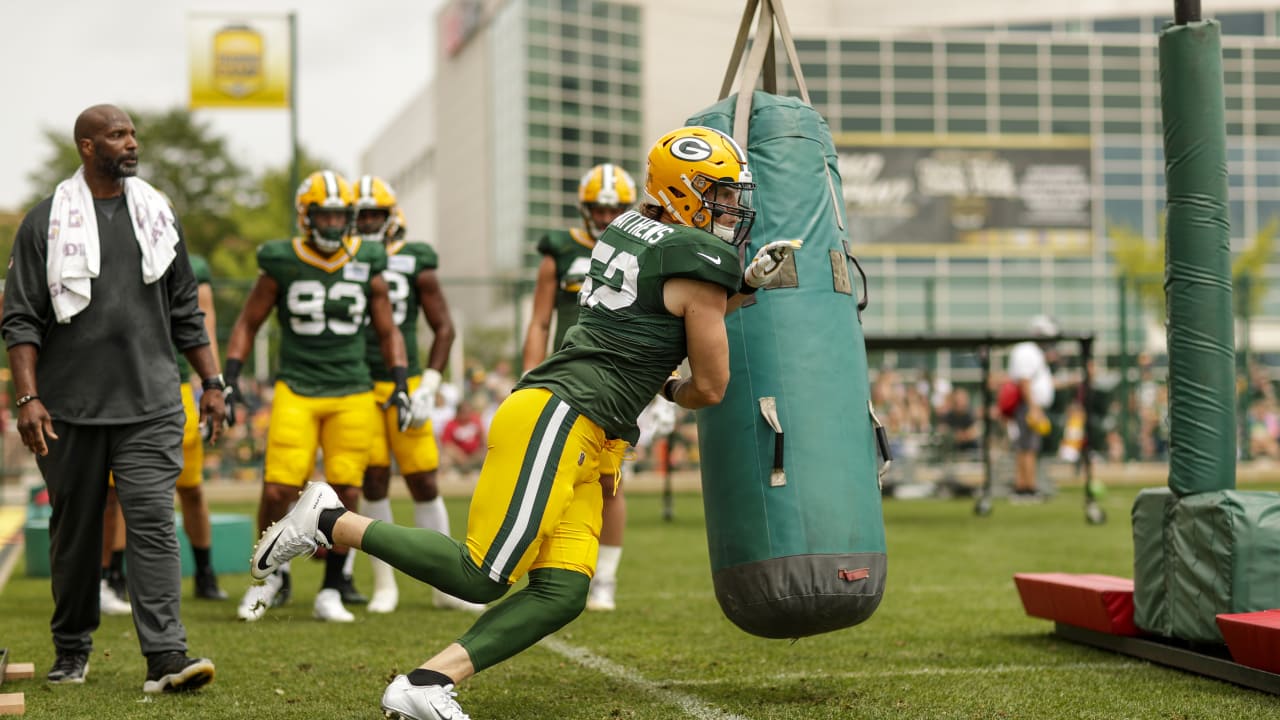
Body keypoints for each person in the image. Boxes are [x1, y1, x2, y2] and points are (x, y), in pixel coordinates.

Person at [248, 125, 800, 719]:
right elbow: (711, 386)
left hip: (590, 426)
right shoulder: (700, 257)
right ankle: (330, 517)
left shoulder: (630, 229)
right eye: (718, 194)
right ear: (681, 191)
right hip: (565, 414)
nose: (730, 208)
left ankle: (426, 682)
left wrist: (737, 288)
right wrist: (676, 379)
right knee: (480, 574)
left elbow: (667, 304)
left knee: (562, 591)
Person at [1, 104, 224, 692]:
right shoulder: (44, 222)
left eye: (132, 132)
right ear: (86, 146)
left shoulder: (158, 216)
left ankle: (166, 657)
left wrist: (213, 382)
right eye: (117, 135)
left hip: (151, 403)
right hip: (67, 408)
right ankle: (71, 647)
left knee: (151, 519)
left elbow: (186, 313)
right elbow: (19, 318)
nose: (132, 143)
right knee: (76, 534)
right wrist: (28, 398)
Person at [227, 169, 410, 623]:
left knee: (347, 490)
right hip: (298, 386)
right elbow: (248, 322)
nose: (333, 224)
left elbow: (388, 328)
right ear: (306, 217)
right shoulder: (282, 259)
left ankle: (332, 587)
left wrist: (402, 381)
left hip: (352, 389)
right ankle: (270, 577)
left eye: (339, 215)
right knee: (276, 488)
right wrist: (229, 377)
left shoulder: (368, 257)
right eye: (324, 215)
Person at [349, 175, 475, 614]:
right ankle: (385, 584)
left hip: (407, 382)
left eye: (373, 215)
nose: (365, 223)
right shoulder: (340, 258)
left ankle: (444, 585)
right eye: (359, 215)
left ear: (390, 218)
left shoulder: (414, 257)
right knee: (374, 480)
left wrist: (431, 383)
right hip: (358, 383)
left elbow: (444, 326)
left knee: (423, 479)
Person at [521, 162, 637, 612]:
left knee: (609, 480)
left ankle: (604, 577)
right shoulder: (561, 248)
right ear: (584, 208)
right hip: (564, 372)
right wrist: (529, 375)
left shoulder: (642, 247)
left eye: (613, 208)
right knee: (549, 473)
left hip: (618, 378)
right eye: (598, 207)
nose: (606, 216)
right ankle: (538, 566)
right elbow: (539, 319)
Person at [1007, 315, 1059, 500]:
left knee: (1029, 446)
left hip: (1030, 406)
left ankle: (1026, 486)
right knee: (1027, 447)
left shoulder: (1033, 352)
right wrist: (1033, 408)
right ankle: (1025, 487)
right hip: (1028, 407)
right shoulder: (1028, 351)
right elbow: (1025, 381)